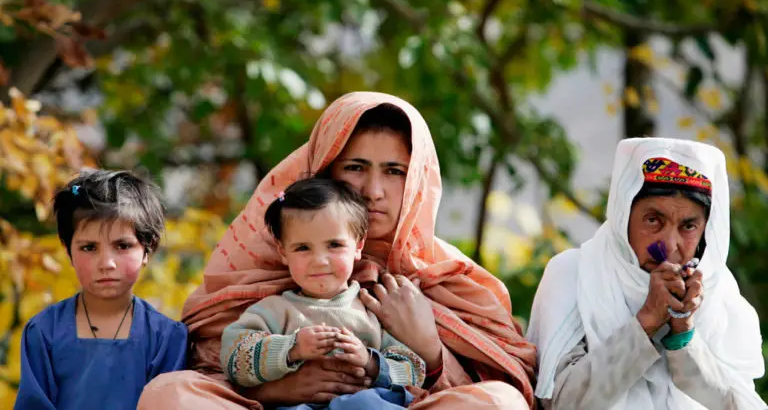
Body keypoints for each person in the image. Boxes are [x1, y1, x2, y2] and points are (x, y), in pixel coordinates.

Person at [139, 92, 536, 409]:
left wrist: (428, 346)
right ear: (325, 168)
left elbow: (504, 379)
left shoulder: (445, 274)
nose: (373, 191)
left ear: (417, 179)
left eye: (394, 171)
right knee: (168, 394)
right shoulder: (263, 257)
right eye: (356, 168)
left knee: (502, 404)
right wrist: (280, 385)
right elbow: (211, 360)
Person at [527, 138, 766, 409]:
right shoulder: (574, 274)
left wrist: (684, 336)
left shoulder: (721, 299)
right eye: (653, 220)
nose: (669, 245)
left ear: (705, 231)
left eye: (688, 226)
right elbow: (559, 403)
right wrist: (646, 322)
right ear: (623, 217)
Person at [221, 178, 425, 409]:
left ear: (358, 246)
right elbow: (234, 360)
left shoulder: (373, 308)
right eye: (302, 248)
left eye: (335, 245)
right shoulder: (274, 310)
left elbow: (414, 370)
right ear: (283, 252)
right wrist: (291, 348)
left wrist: (370, 361)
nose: (319, 261)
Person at [14, 169, 188, 410]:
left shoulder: (166, 338)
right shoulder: (43, 332)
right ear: (68, 251)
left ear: (148, 249)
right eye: (88, 248)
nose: (107, 263)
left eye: (123, 245)